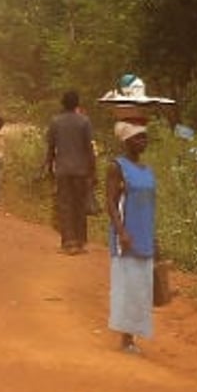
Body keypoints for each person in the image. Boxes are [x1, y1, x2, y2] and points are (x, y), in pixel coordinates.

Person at [105, 120, 156, 354]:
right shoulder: (117, 167)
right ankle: (126, 338)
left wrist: (155, 236)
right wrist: (122, 231)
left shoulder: (147, 171)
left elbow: (150, 205)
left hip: (144, 234)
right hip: (126, 237)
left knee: (141, 288)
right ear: (126, 140)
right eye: (138, 137)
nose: (143, 141)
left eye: (144, 137)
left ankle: (133, 335)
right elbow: (111, 203)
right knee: (127, 286)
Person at [44, 90, 95, 254]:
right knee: (79, 206)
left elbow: (51, 148)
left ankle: (68, 242)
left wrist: (48, 167)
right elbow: (90, 149)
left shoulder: (55, 122)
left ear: (62, 104)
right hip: (81, 171)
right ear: (77, 104)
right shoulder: (84, 122)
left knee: (65, 205)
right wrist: (93, 172)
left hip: (63, 170)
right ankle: (80, 242)